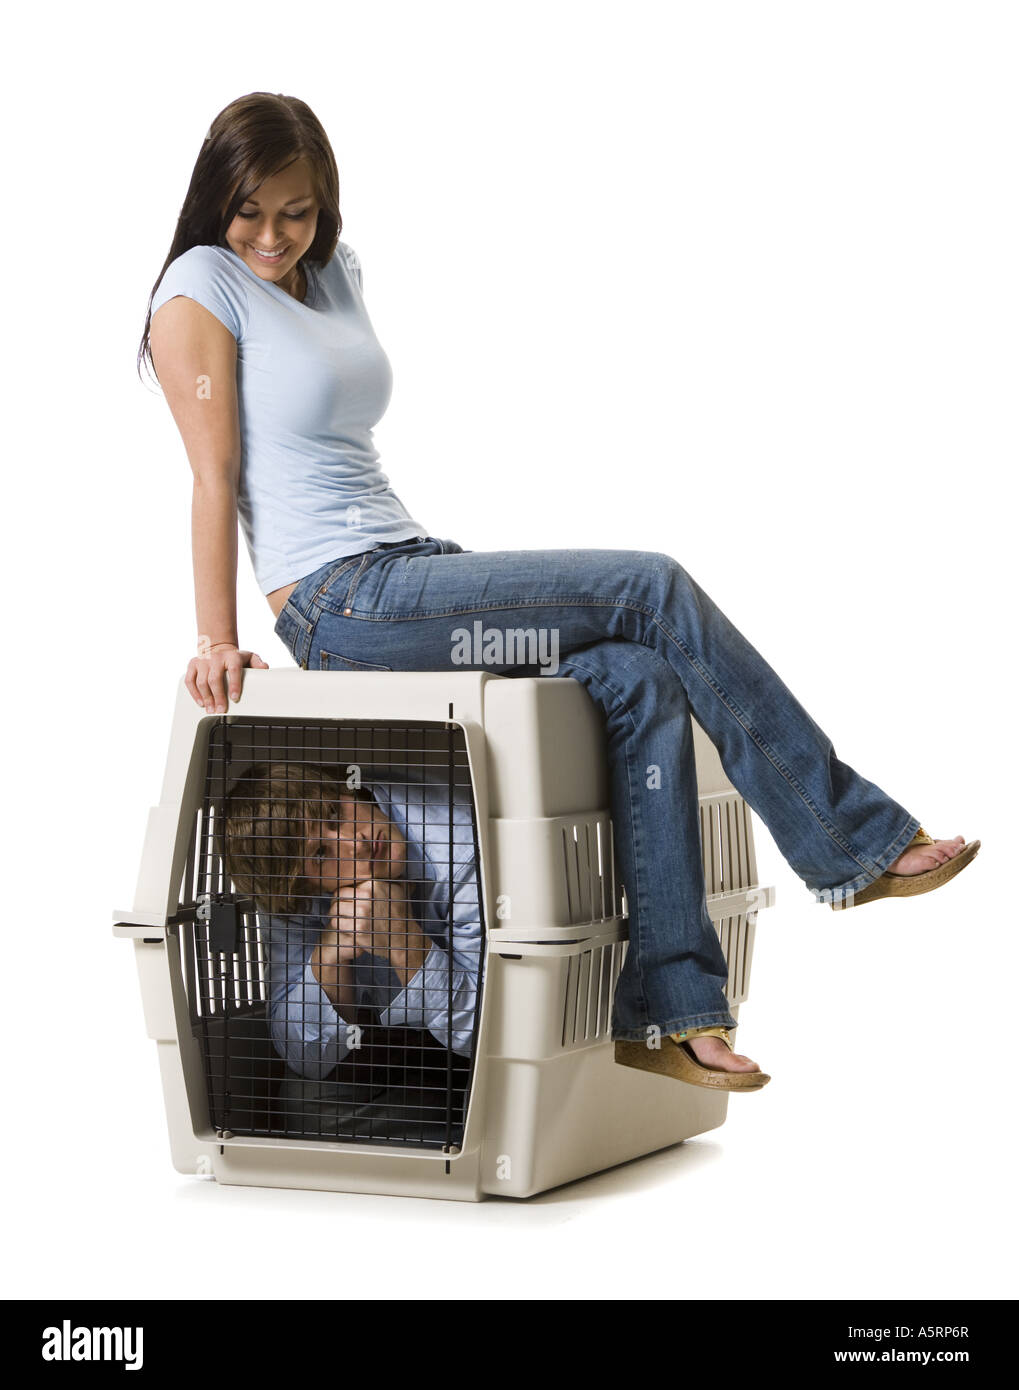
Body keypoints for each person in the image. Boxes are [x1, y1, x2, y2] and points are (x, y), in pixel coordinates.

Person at [140, 91, 980, 1093]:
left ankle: (672, 1011)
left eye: (298, 210)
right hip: (343, 602)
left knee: (635, 677)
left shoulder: (334, 274)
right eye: (251, 212)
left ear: (325, 207)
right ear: (213, 203)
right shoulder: (199, 287)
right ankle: (850, 843)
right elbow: (212, 475)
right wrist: (212, 634)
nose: (274, 235)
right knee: (648, 587)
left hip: (410, 562)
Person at [223, 761, 482, 1081]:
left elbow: (494, 1036)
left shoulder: (459, 847)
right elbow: (304, 1059)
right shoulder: (291, 892)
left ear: (347, 790)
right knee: (308, 1102)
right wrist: (328, 960)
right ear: (304, 888)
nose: (356, 842)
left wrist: (403, 940)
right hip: (386, 1040)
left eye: (335, 814)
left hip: (471, 1042)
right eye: (320, 853)